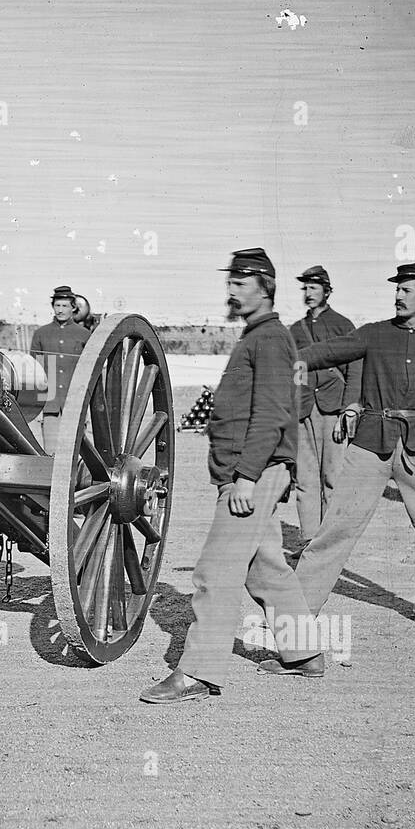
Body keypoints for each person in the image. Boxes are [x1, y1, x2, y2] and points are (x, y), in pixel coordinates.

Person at [140, 248, 325, 704]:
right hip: (251, 472)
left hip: (253, 474)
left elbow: (272, 414)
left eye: (241, 284)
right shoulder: (259, 337)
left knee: (215, 571)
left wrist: (245, 477)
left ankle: (197, 672)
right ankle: (305, 654)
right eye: (230, 283)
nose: (232, 291)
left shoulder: (270, 339)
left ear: (266, 287)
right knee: (266, 569)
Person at [293, 262, 415, 626]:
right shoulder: (373, 334)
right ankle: (296, 613)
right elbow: (331, 351)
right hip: (370, 446)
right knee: (334, 531)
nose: (398, 296)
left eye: (406, 290)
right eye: (397, 289)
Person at [289, 265, 360, 542]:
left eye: (313, 288)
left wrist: (350, 406)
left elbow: (356, 368)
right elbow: (293, 372)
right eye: (305, 288)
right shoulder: (295, 330)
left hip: (333, 410)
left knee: (333, 478)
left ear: (327, 292)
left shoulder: (343, 326)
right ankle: (309, 541)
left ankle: (328, 543)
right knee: (305, 480)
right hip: (303, 409)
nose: (308, 293)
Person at [29, 284, 91, 450]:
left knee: (75, 452)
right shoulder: (41, 334)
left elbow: (90, 372)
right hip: (50, 403)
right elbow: (36, 371)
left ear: (73, 308)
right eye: (57, 305)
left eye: (65, 306)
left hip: (75, 402)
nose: (60, 310)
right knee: (50, 452)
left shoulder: (84, 334)